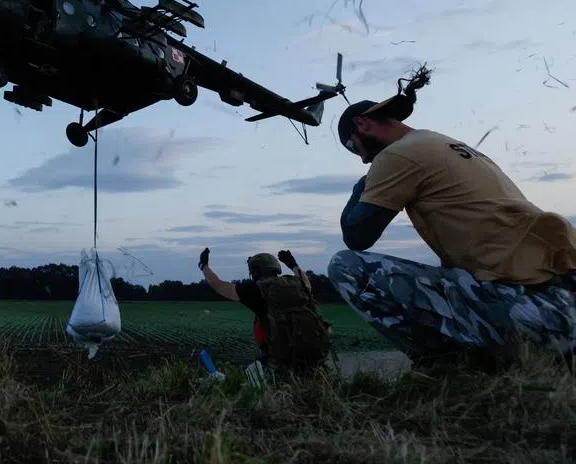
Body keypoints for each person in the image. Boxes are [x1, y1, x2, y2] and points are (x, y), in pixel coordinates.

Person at [328, 63, 576, 370]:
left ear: (362, 124)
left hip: (537, 316)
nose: (363, 158)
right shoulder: (444, 143)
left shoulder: (396, 155)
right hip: (562, 302)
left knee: (347, 267)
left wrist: (362, 184)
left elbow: (356, 237)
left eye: (354, 148)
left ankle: (444, 368)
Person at [199, 247, 332, 372]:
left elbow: (218, 285)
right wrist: (293, 264)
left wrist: (203, 266)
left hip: (284, 360)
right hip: (316, 354)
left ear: (255, 271)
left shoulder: (255, 290)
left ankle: (271, 366)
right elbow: (307, 283)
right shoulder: (297, 284)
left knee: (260, 323)